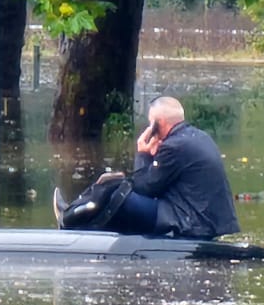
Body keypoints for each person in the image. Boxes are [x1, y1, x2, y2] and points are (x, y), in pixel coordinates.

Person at [54, 96, 239, 239]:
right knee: (116, 186)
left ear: (160, 123)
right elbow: (159, 183)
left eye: (151, 123)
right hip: (203, 220)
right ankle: (75, 216)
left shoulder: (173, 146)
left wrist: (143, 153)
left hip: (189, 222)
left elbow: (145, 188)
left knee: (118, 192)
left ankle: (70, 220)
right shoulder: (197, 137)